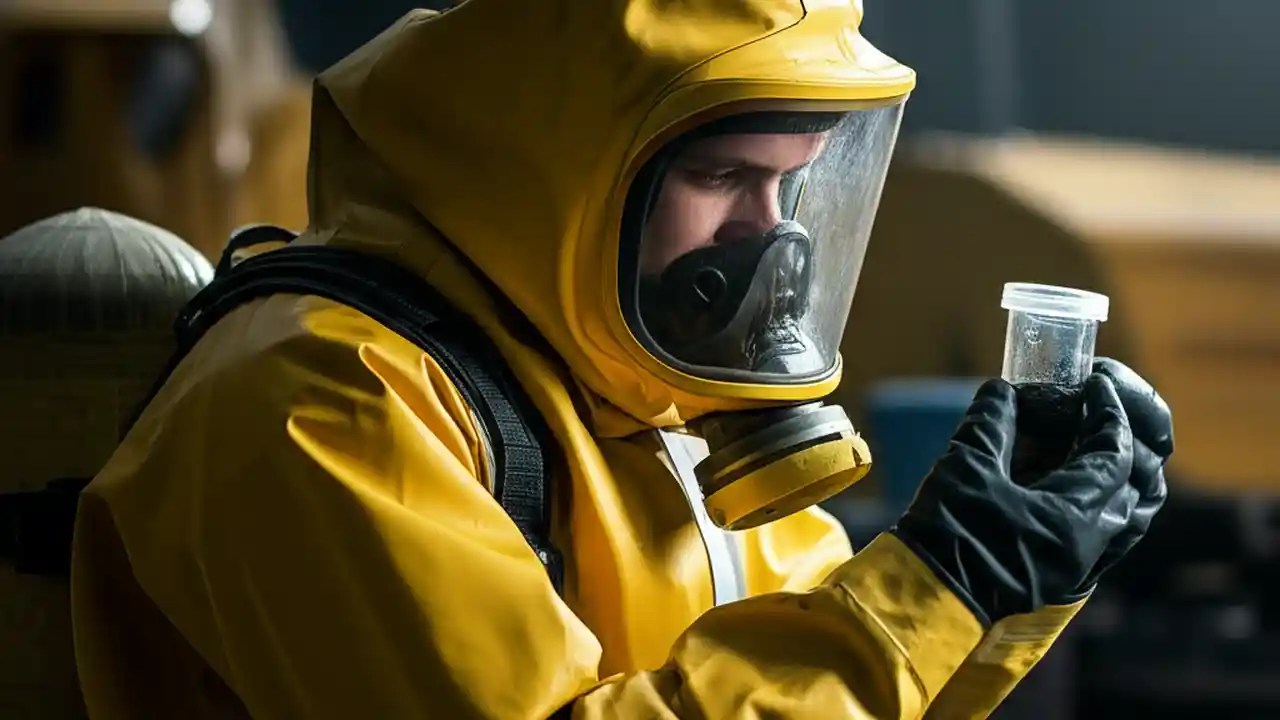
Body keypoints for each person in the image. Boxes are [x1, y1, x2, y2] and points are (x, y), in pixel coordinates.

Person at [71, 2, 1172, 718]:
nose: (773, 237)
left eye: (790, 183)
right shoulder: (317, 401)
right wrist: (935, 582)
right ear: (548, 163)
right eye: (727, 177)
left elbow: (835, 695)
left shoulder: (649, 397)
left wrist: (1014, 572)